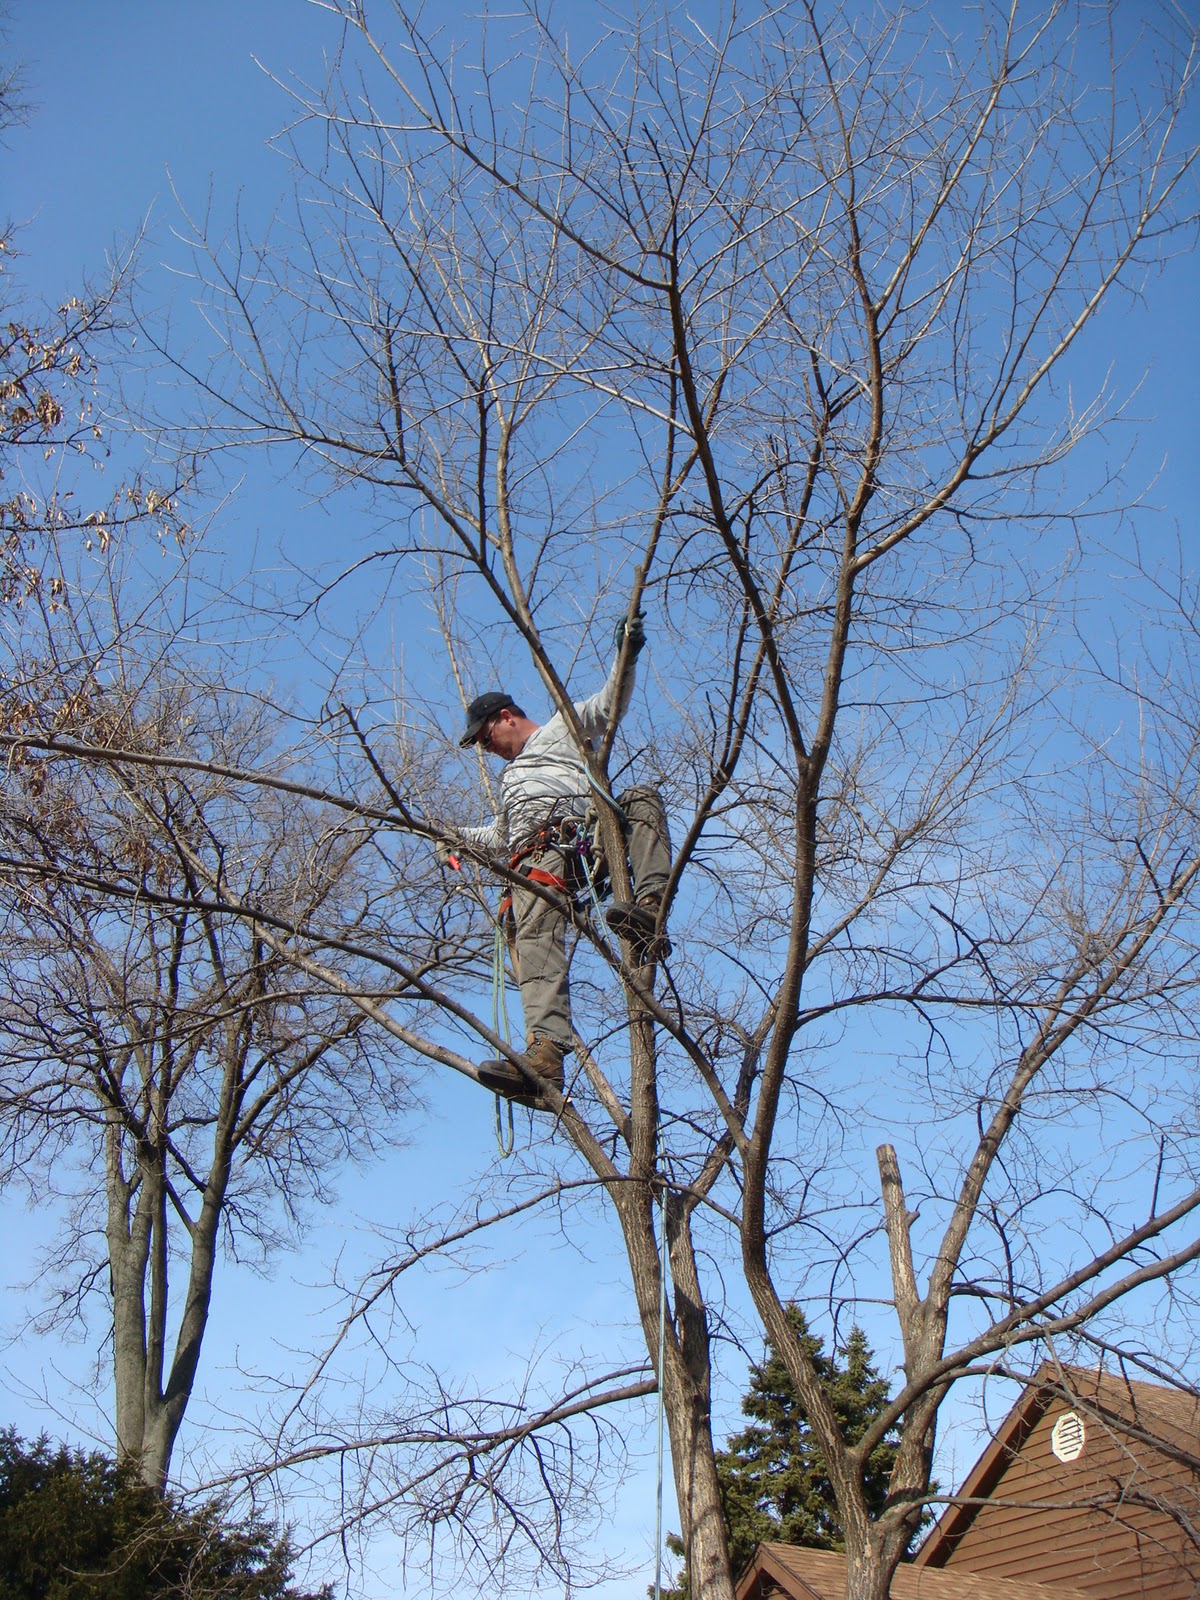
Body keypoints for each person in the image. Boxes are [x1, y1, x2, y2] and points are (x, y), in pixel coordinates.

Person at [440, 614, 672, 1104]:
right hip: (535, 858)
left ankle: (650, 906)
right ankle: (544, 1056)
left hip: (584, 837)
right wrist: (450, 835)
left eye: (485, 738)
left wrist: (626, 653)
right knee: (534, 934)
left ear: (505, 717)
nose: (486, 748)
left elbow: (611, 703)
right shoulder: (510, 782)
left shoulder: (562, 730)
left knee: (642, 797)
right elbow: (501, 836)